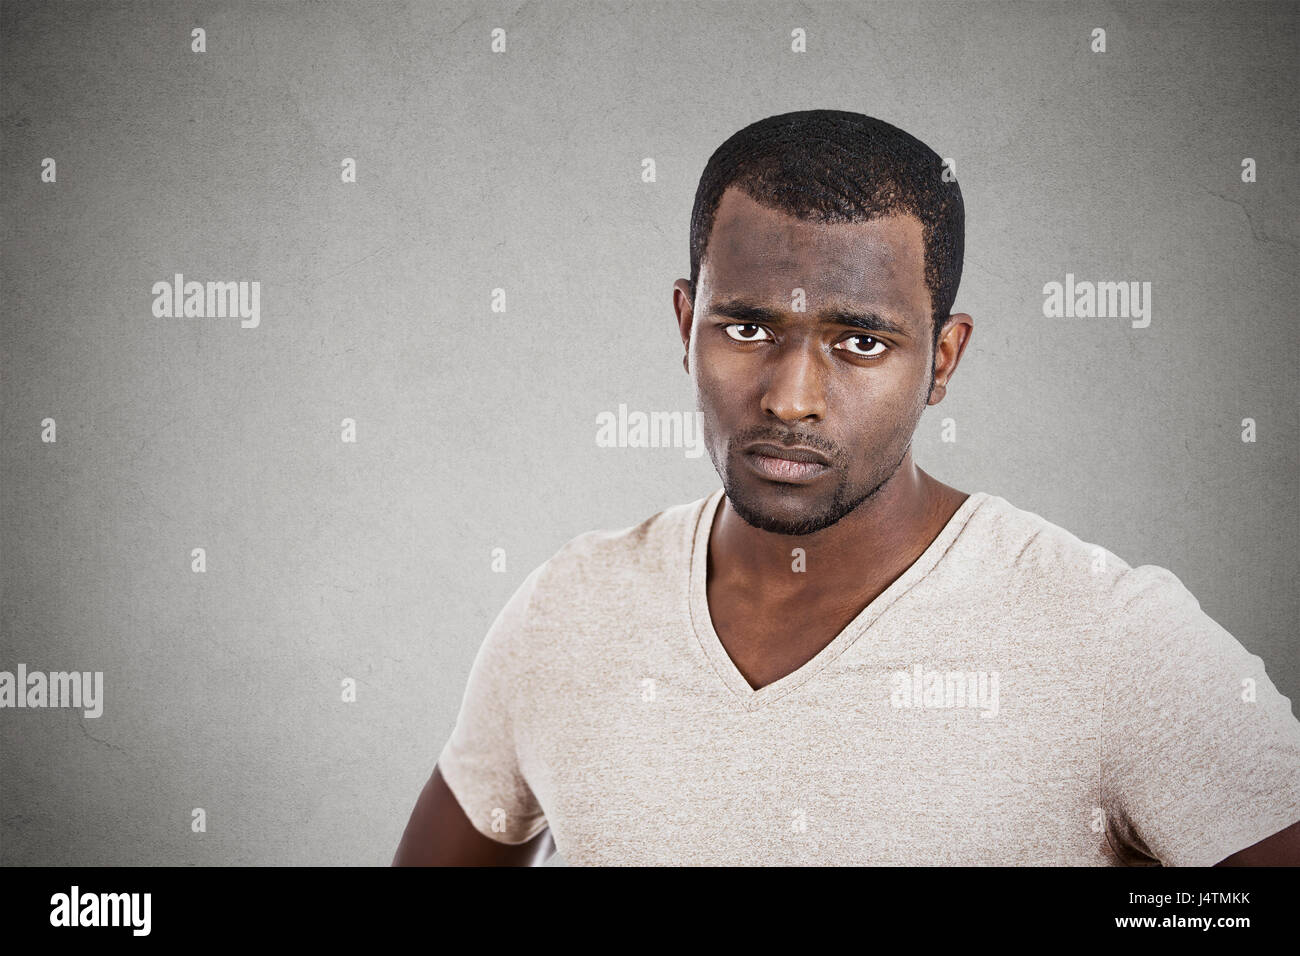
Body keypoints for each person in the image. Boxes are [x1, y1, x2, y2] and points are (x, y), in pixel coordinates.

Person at [393, 110, 1300, 866]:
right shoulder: (570, 609)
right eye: (747, 328)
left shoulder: (1106, 635)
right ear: (685, 323)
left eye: (860, 341)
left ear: (943, 359)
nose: (791, 398)